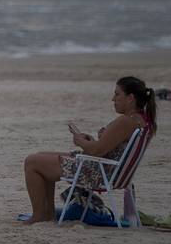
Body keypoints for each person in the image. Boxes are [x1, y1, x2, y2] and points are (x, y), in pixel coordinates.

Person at [22, 75, 158, 223]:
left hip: (97, 172)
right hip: (106, 169)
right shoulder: (141, 120)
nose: (113, 99)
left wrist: (80, 141)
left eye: (117, 94)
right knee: (41, 156)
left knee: (32, 162)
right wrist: (91, 142)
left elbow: (96, 151)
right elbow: (107, 149)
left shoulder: (126, 121)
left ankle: (39, 215)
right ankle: (47, 213)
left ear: (130, 98)